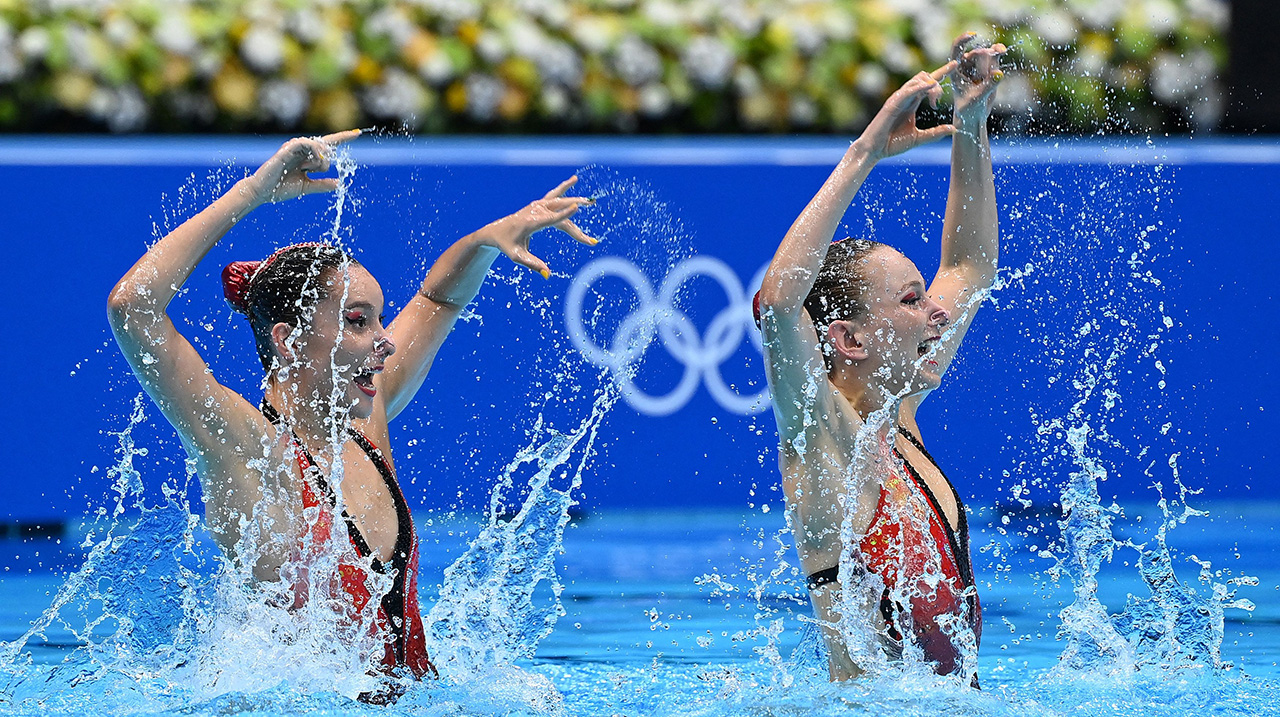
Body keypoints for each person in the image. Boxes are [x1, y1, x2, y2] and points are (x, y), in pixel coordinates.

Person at [106, 130, 597, 681]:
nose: (385, 341)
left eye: (380, 320)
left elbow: (438, 298)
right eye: (359, 321)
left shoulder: (365, 427)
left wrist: (487, 240)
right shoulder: (250, 453)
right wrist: (251, 193)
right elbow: (133, 307)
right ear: (289, 341)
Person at [754, 34, 1005, 683]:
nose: (938, 312)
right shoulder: (822, 441)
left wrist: (970, 124)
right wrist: (863, 154)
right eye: (912, 300)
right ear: (851, 340)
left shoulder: (899, 416)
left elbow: (970, 265)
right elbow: (778, 305)